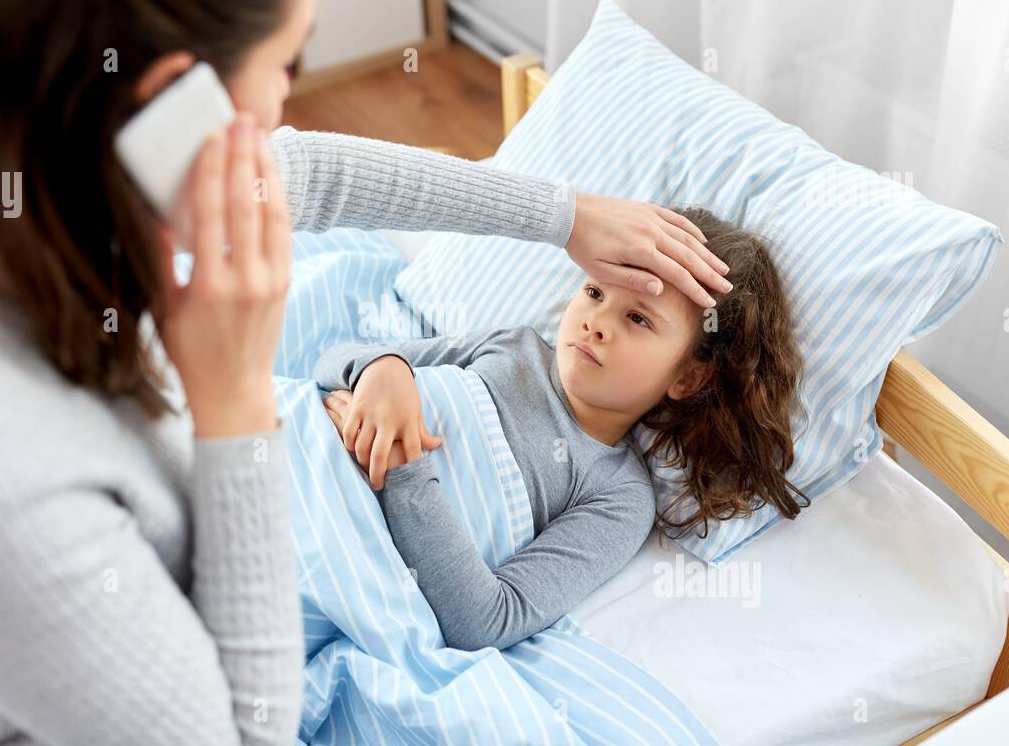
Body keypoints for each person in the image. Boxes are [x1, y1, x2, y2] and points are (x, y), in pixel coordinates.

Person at [0, 0, 732, 746]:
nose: (283, 104)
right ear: (166, 97)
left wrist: (567, 216)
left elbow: (307, 172)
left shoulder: (55, 195)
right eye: (285, 62)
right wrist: (235, 400)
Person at [317, 208, 808, 652]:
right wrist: (382, 368)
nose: (595, 323)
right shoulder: (513, 346)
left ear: (687, 376)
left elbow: (486, 620)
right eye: (595, 292)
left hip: (326, 541)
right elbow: (330, 366)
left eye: (638, 318)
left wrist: (403, 466)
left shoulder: (617, 494)